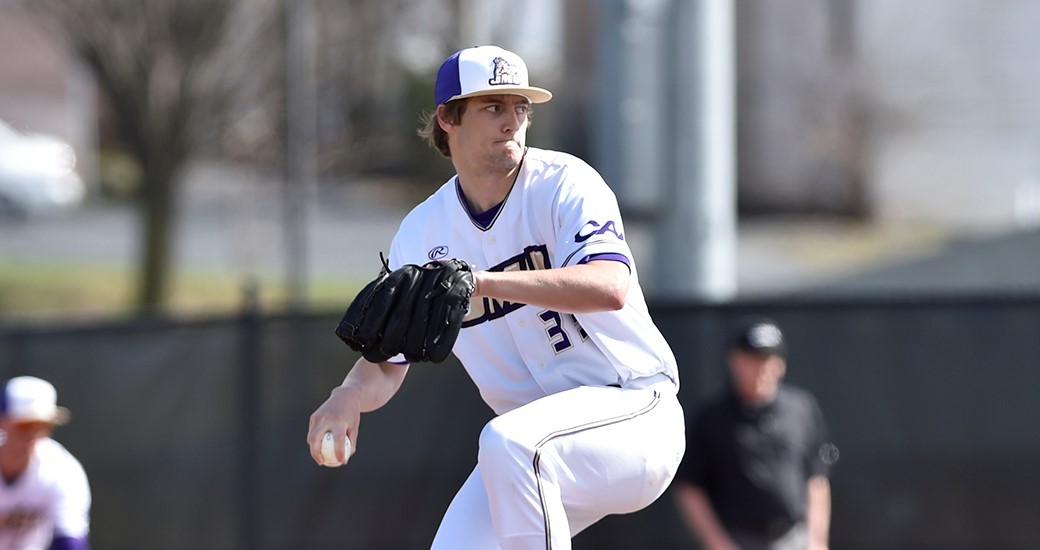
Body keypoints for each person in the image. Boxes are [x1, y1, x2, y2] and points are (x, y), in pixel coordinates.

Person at [308, 44, 685, 549]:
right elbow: (389, 358)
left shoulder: (564, 184)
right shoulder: (422, 233)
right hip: (530, 454)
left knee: (510, 443)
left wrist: (481, 281)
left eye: (520, 107)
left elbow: (610, 286)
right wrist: (348, 395)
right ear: (448, 118)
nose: (512, 121)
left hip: (633, 412)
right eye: (493, 107)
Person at [672, 317, 837, 550]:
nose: (761, 367)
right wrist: (717, 543)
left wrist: (817, 540)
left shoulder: (802, 409)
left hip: (793, 539)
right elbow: (689, 487)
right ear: (734, 360)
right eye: (752, 358)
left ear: (781, 364)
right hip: (738, 538)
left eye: (768, 359)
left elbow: (817, 477)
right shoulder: (712, 418)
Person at [0, 376, 91, 550]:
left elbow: (70, 539)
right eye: (26, 425)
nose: (35, 433)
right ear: (2, 421)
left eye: (44, 425)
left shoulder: (62, 469)